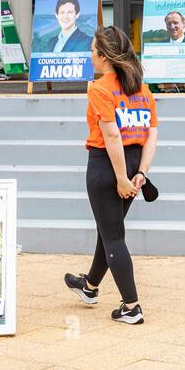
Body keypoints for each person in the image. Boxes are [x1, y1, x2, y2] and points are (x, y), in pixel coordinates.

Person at [64, 27, 158, 324]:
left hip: (107, 165)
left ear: (104, 56)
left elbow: (112, 135)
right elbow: (151, 133)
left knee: (114, 236)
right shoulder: (140, 88)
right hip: (133, 164)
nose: (90, 56)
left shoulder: (100, 88)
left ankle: (131, 307)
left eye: (92, 51)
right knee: (110, 229)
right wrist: (140, 172)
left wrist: (119, 178)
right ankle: (90, 286)